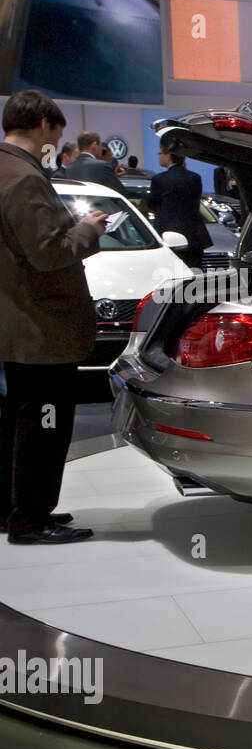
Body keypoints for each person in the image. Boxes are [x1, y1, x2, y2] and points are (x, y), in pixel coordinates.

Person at [0, 91, 107, 545]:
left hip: (20, 322)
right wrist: (88, 229)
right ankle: (31, 518)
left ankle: (17, 509)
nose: (55, 141)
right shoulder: (23, 177)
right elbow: (47, 254)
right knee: (44, 423)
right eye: (56, 132)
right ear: (44, 125)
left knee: (20, 420)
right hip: (41, 325)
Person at [148, 145, 212, 270]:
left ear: (168, 155)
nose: (159, 157)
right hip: (194, 236)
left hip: (168, 235)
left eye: (160, 153)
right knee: (194, 277)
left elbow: (151, 204)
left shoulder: (159, 179)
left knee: (170, 276)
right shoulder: (195, 178)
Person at [53, 131, 126, 194]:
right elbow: (120, 192)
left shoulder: (69, 168)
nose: (101, 149)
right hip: (101, 209)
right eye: (100, 145)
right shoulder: (102, 166)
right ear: (94, 145)